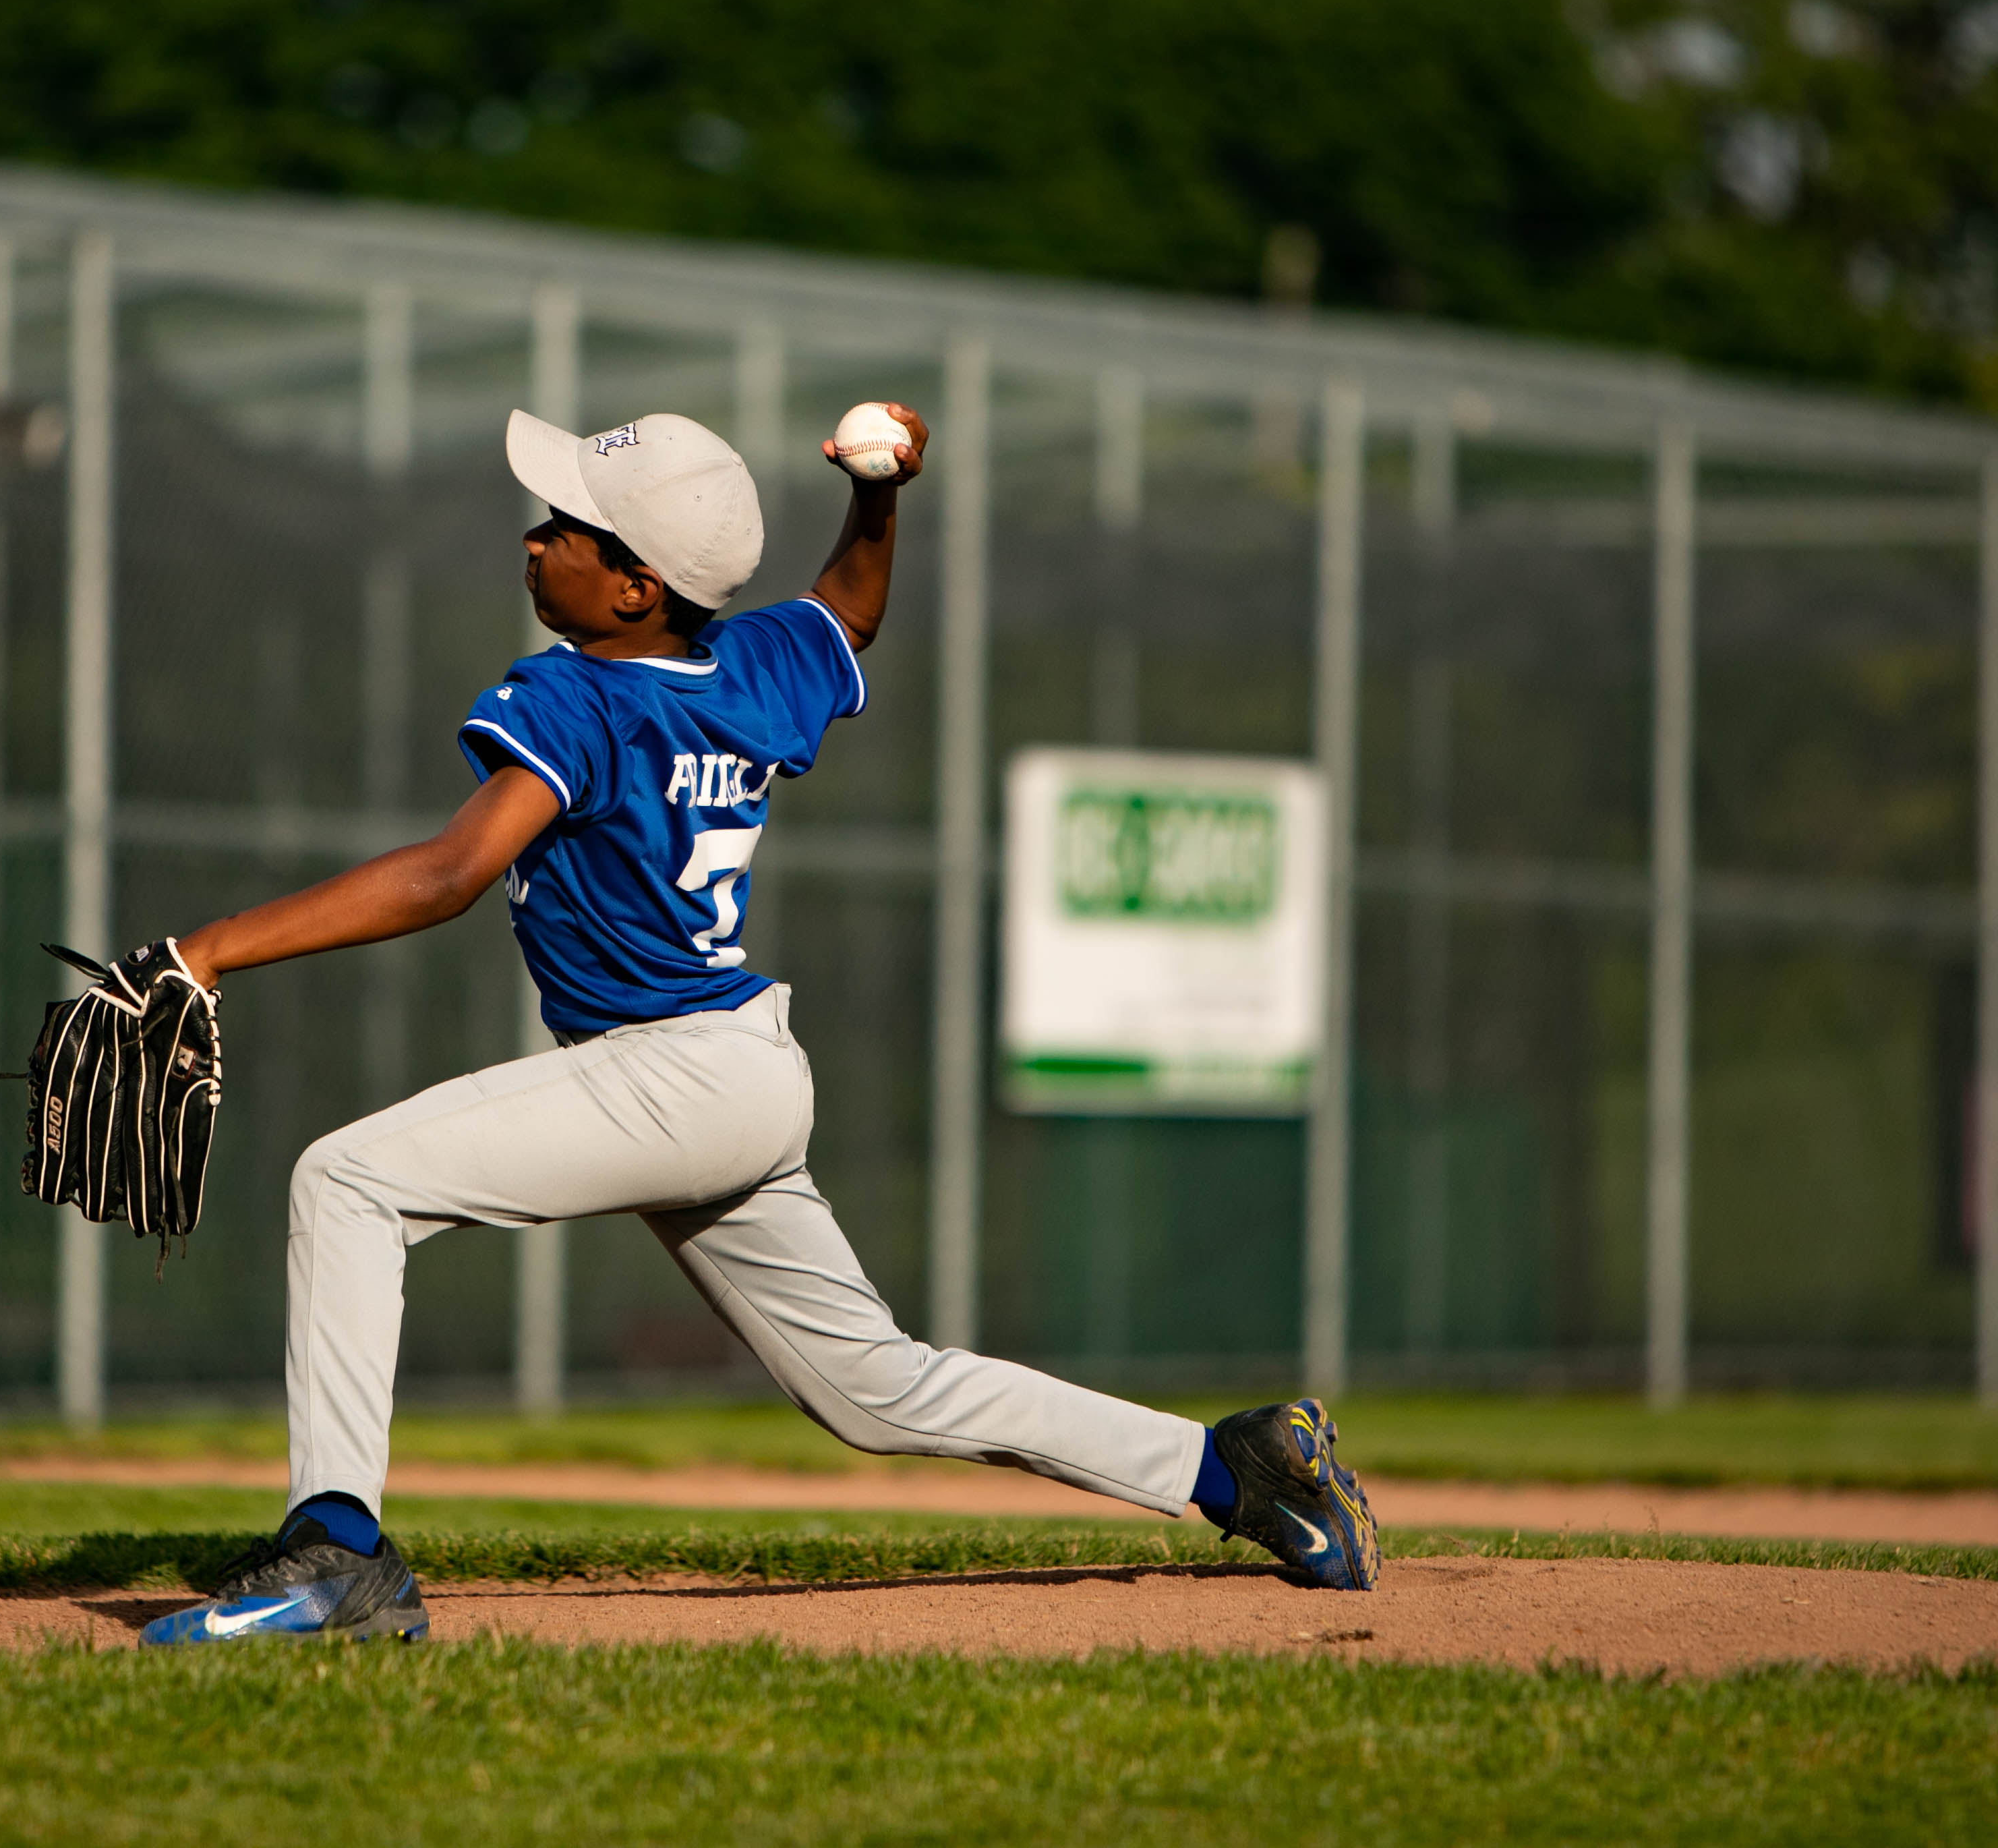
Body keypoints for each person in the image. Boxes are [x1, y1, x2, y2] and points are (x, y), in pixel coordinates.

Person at [132, 405, 1375, 1644]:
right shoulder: (753, 665)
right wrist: (878, 501)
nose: (531, 540)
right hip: (741, 1069)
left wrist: (211, 949)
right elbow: (850, 609)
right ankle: (1238, 1469)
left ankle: (338, 1551)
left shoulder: (578, 698)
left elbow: (452, 873)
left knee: (347, 1180)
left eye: (567, 527)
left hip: (674, 1074)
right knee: (876, 1390)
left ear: (632, 584)